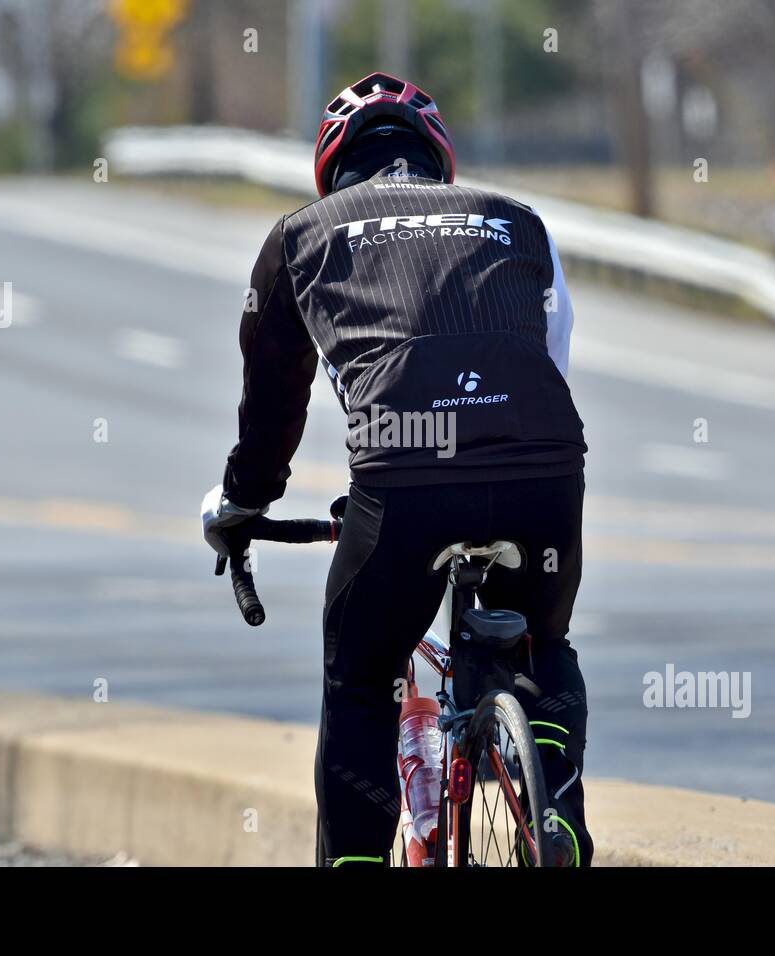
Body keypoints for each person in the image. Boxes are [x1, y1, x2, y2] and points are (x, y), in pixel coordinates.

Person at [200, 72, 591, 866]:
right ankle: (559, 822)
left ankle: (353, 862)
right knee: (545, 645)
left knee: (360, 679)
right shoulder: (517, 221)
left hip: (403, 480)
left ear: (331, 168)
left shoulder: (301, 236)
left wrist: (243, 503)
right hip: (542, 464)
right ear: (437, 159)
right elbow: (551, 359)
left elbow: (273, 402)